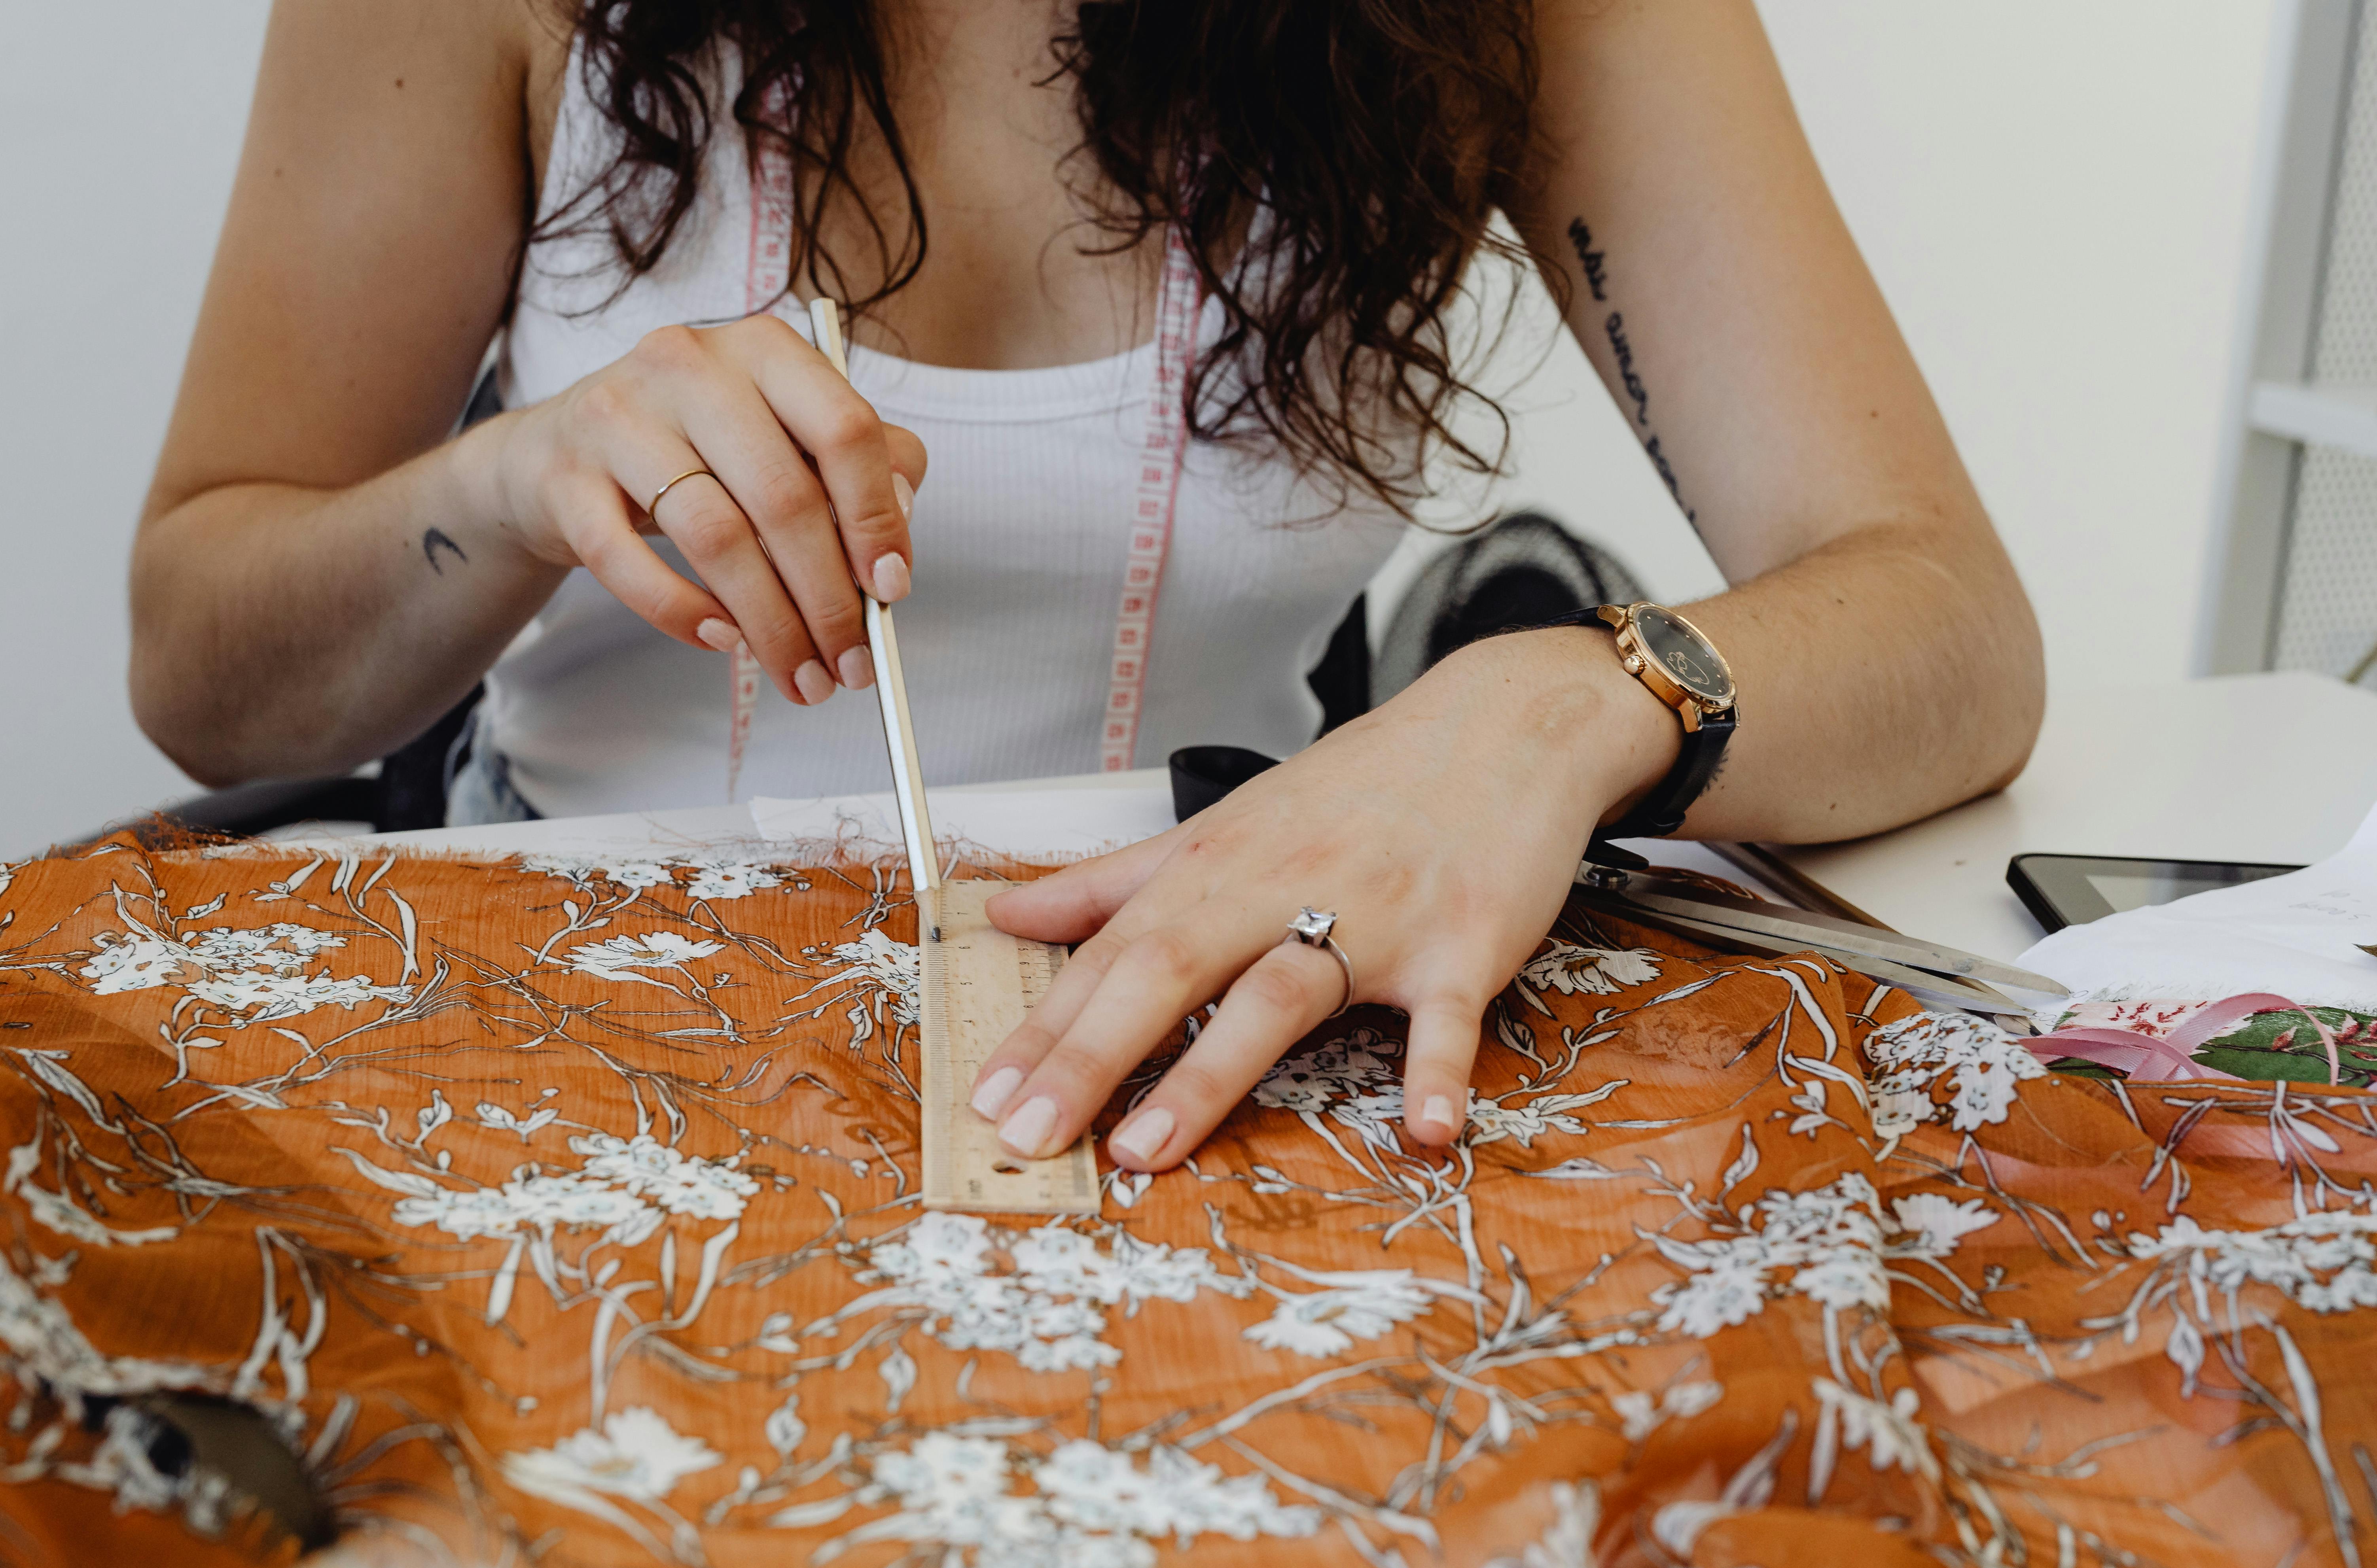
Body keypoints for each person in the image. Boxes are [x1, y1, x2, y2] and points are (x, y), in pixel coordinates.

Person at [131, 0, 2044, 1180]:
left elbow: (1951, 622)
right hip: (554, 1035)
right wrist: (510, 484)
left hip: (1228, 1023)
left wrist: (1549, 702)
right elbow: (202, 674)